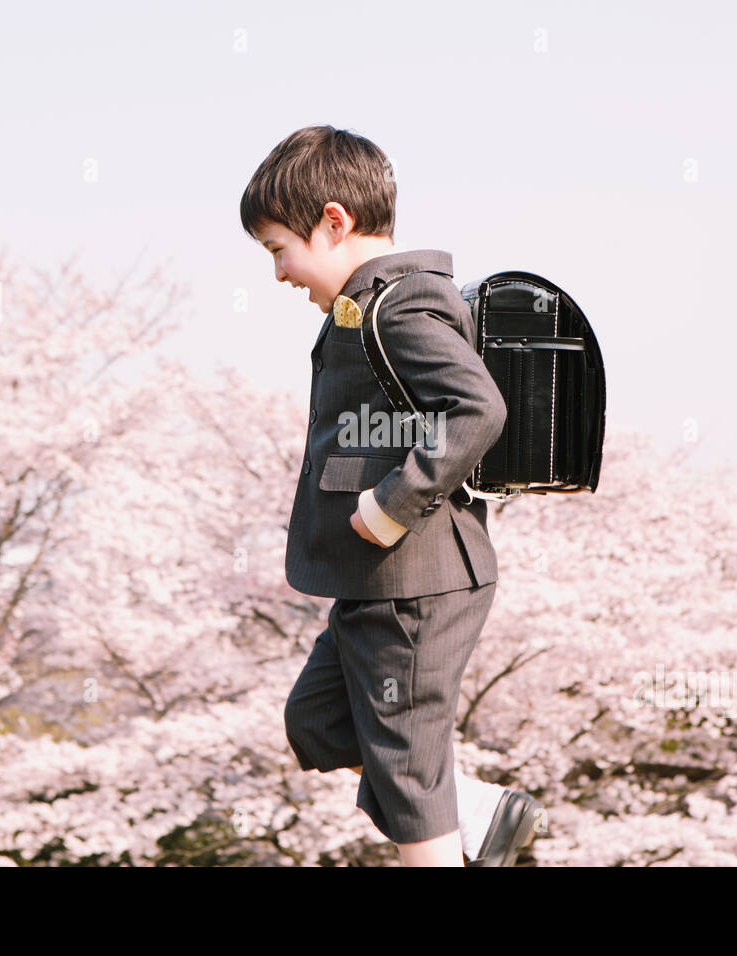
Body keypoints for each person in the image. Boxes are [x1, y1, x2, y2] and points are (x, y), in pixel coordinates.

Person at [240, 125, 543, 867]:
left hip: (416, 581)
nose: (278, 272)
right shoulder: (366, 305)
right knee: (319, 722)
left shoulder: (400, 307)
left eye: (279, 248)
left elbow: (478, 408)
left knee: (406, 762)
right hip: (373, 580)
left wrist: (392, 502)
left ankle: (439, 820)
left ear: (333, 222)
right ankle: (471, 805)